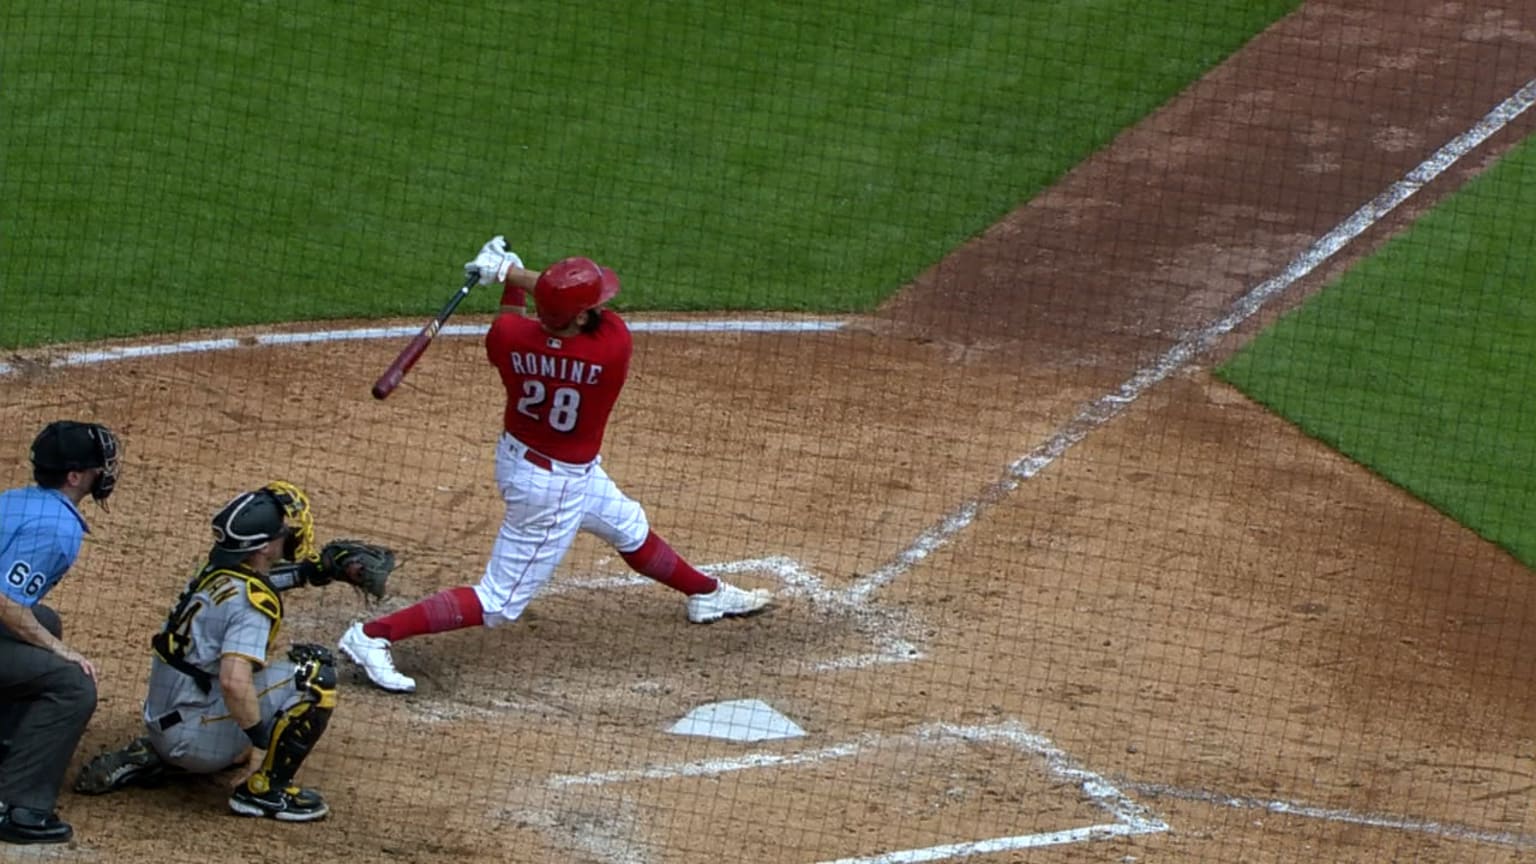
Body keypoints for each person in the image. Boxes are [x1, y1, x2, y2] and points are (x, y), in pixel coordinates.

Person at [337, 237, 771, 693]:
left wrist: (507, 278)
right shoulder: (611, 348)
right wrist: (510, 272)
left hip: (525, 462)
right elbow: (563, 306)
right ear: (580, 317)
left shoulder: (508, 339)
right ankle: (372, 636)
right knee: (498, 602)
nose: (602, 305)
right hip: (552, 490)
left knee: (628, 526)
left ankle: (706, 594)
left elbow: (512, 317)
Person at [72, 482, 393, 822]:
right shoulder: (251, 606)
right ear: (264, 546)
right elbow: (233, 682)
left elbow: (258, 581)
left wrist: (312, 572)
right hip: (193, 738)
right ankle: (265, 792)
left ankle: (162, 755)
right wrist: (259, 740)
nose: (289, 533)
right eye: (282, 530)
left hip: (165, 714)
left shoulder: (215, 570)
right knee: (314, 673)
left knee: (237, 679)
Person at [0, 420, 120, 844]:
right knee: (73, 685)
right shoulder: (55, 527)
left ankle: (8, 745)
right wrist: (60, 651)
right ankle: (15, 806)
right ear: (74, 477)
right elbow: (6, 602)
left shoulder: (18, 500)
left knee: (45, 620)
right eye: (96, 466)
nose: (104, 472)